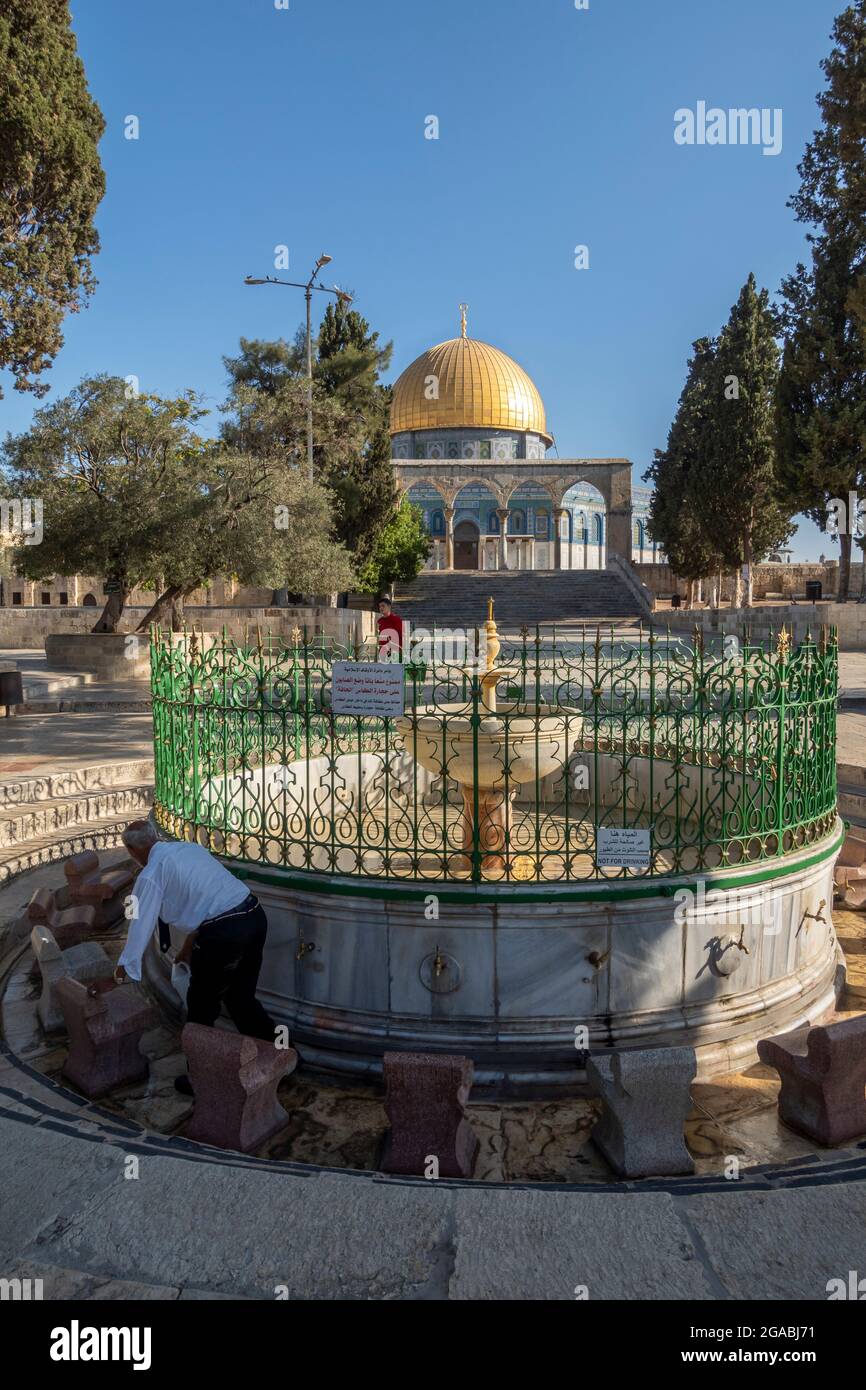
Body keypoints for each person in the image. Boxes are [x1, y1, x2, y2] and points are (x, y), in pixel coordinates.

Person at [114, 820, 277, 1094]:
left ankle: (200, 1079)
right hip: (253, 916)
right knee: (241, 998)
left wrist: (122, 969)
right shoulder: (188, 849)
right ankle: (282, 1053)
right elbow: (208, 896)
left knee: (201, 1007)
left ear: (131, 850)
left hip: (225, 933)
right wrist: (189, 945)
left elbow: (139, 924)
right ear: (154, 836)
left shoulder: (151, 874)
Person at [376, 595, 404, 661]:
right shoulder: (379, 621)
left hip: (395, 651)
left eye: (383, 606)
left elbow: (401, 635)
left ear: (389, 607)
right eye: (380, 606)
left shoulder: (396, 619)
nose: (381, 608)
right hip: (383, 652)